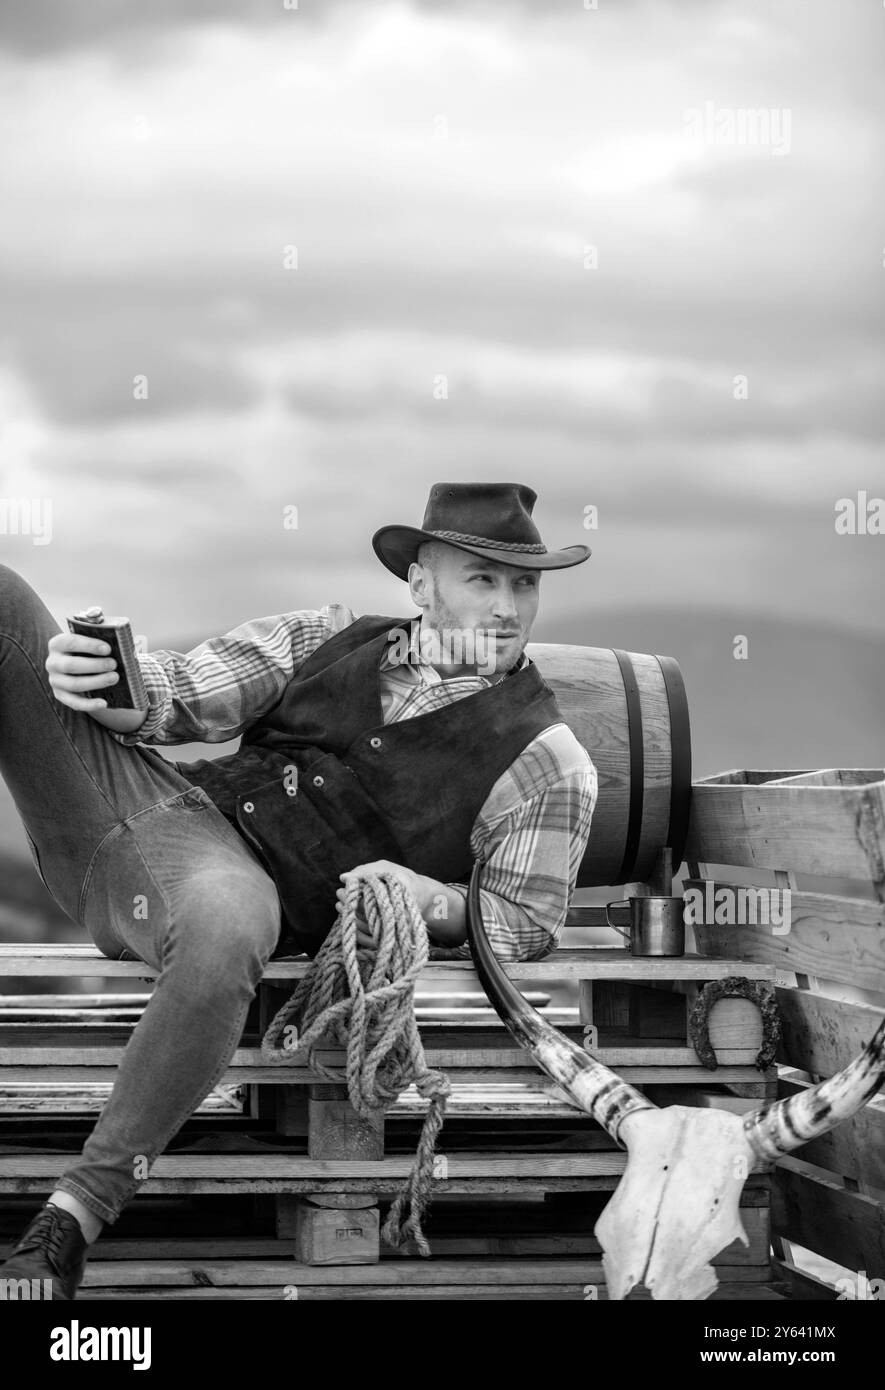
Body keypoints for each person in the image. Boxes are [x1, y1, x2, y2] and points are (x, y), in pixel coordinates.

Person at [0, 480, 598, 1299]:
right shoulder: (321, 636)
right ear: (421, 583)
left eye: (522, 585)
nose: (505, 608)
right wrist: (103, 676)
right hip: (134, 806)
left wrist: (425, 894)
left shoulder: (546, 759)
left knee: (225, 918)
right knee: (4, 600)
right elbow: (178, 695)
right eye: (480, 579)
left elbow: (521, 922)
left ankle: (71, 1216)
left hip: (232, 899)